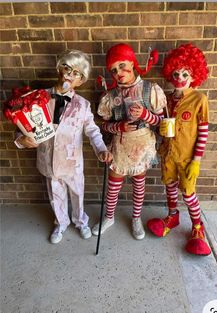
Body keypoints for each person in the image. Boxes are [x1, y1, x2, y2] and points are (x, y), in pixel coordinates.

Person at [14, 50, 112, 244]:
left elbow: (92, 131)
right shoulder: (37, 98)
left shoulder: (83, 105)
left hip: (72, 162)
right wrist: (21, 140)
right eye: (67, 68)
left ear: (81, 80)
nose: (70, 74)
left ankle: (80, 221)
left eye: (76, 72)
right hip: (48, 160)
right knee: (55, 196)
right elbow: (22, 124)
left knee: (77, 194)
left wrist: (101, 149)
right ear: (60, 68)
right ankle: (61, 222)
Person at [92, 43, 166, 240]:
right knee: (113, 183)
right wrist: (118, 127)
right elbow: (103, 125)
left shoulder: (150, 90)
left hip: (142, 145)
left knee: (138, 183)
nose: (118, 73)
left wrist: (145, 115)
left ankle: (136, 218)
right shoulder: (111, 97)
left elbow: (162, 122)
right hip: (120, 145)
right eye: (114, 70)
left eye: (122, 65)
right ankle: (109, 217)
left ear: (133, 63)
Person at [147, 43, 211, 255]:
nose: (180, 77)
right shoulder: (167, 99)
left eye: (185, 73)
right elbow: (161, 124)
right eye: (176, 72)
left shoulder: (199, 100)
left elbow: (203, 131)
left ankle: (197, 227)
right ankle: (172, 217)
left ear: (195, 75)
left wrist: (196, 161)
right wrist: (161, 127)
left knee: (189, 193)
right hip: (168, 154)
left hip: (187, 158)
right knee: (170, 188)